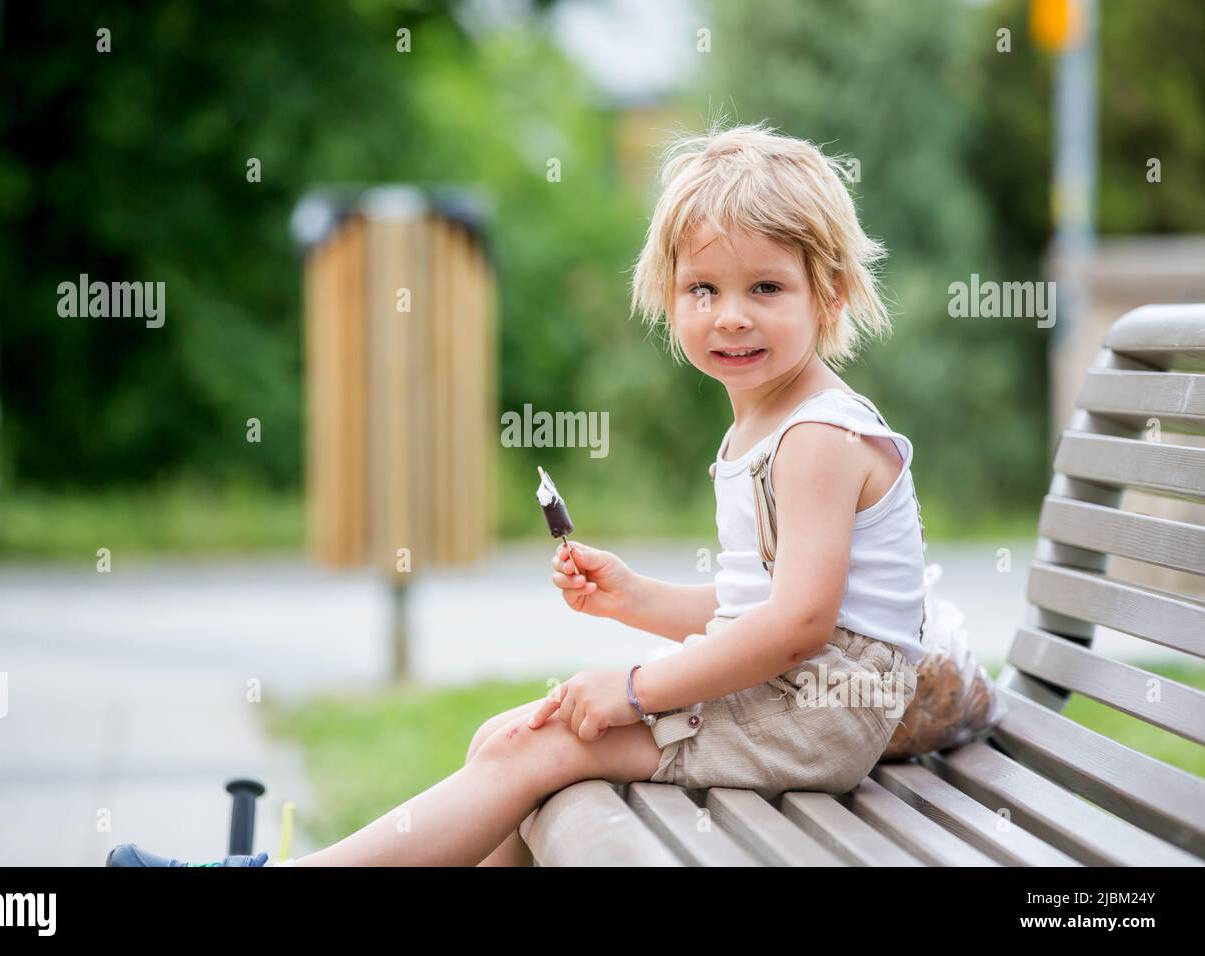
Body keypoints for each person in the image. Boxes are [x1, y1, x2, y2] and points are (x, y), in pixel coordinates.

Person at [109, 119, 924, 868]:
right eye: (703, 289)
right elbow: (762, 607)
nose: (730, 317)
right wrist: (634, 599)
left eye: (766, 289)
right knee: (505, 739)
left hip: (816, 714)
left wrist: (635, 688)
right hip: (790, 698)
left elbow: (799, 626)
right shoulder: (765, 426)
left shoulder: (817, 437)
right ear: (667, 296)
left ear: (830, 294)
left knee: (538, 750)